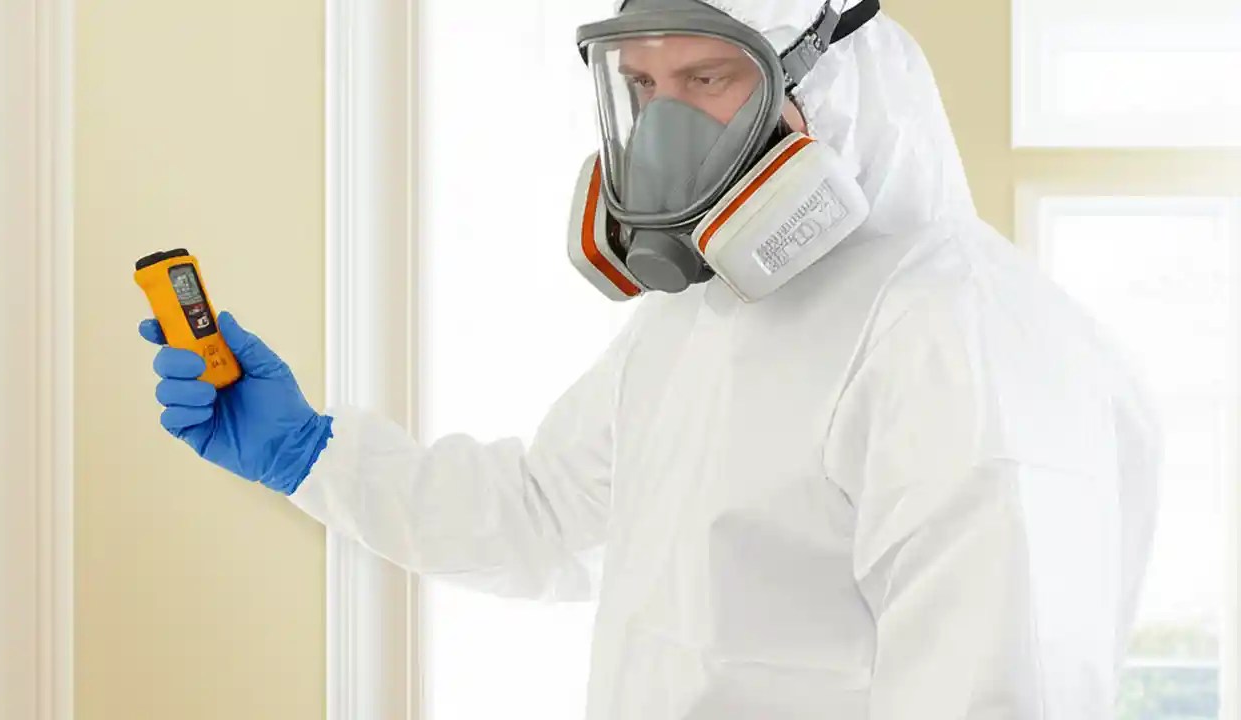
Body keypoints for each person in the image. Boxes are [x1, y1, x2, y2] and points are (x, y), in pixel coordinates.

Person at [140, 0, 1162, 717]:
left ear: (834, 83)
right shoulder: (698, 322)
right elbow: (546, 517)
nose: (664, 127)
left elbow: (999, 692)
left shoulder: (964, 337)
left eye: (707, 78)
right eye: (640, 84)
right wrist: (312, 454)